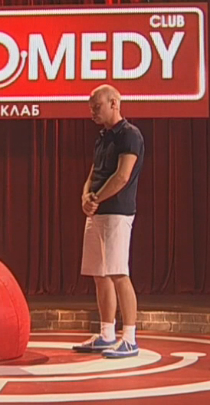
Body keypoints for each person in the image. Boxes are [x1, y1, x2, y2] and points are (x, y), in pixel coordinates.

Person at [73, 84, 144, 358]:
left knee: (118, 273)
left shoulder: (130, 135)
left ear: (114, 103)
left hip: (117, 212)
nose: (93, 112)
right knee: (100, 274)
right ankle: (106, 334)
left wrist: (96, 198)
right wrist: (85, 196)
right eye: (91, 108)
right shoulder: (102, 137)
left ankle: (130, 338)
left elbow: (122, 176)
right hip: (97, 212)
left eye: (97, 107)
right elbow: (94, 173)